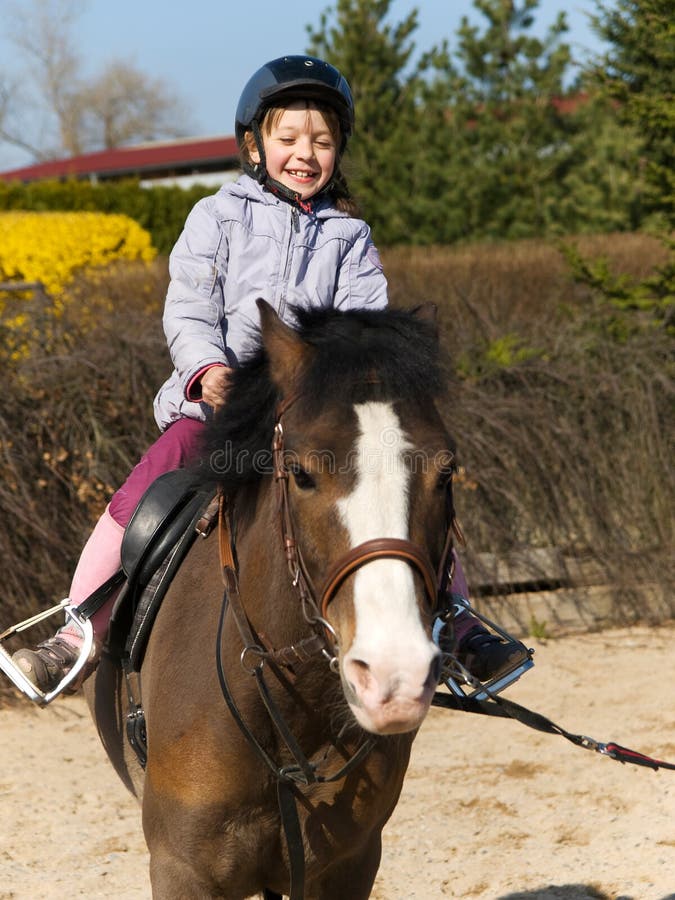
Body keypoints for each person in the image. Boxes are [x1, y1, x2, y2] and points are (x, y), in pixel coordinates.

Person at [13, 55, 527, 696]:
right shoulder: (215, 217)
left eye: (322, 141)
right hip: (223, 412)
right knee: (148, 486)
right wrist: (207, 371)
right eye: (289, 138)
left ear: (338, 151)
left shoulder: (350, 238)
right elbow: (188, 308)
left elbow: (366, 329)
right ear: (255, 145)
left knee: (409, 477)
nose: (305, 153)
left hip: (317, 421)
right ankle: (78, 632)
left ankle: (457, 621)